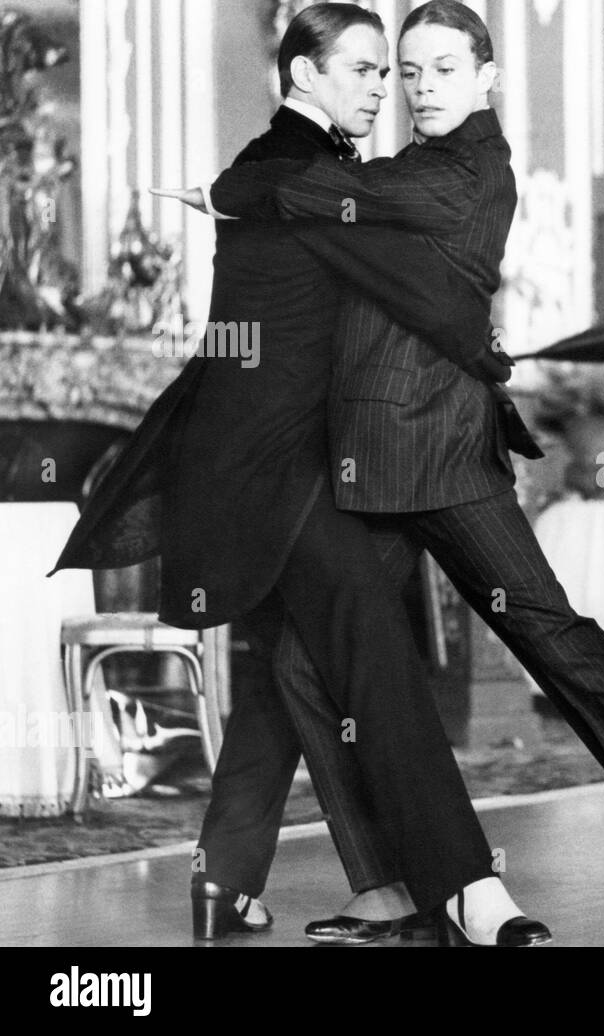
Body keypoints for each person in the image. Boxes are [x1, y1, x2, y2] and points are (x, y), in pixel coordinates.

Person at [169, 0, 604, 943]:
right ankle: (385, 888)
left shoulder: (472, 175)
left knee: (556, 638)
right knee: (302, 664)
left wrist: (232, 192)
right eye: (406, 72)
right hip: (357, 466)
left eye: (441, 69)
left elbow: (323, 201)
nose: (419, 89)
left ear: (488, 75)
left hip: (444, 456)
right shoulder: (389, 168)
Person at [54, 2, 549, 947]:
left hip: (252, 473)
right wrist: (490, 360)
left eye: (387, 72)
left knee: (287, 677)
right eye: (363, 70)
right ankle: (471, 891)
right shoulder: (304, 175)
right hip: (283, 480)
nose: (383, 90)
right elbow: (429, 301)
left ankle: (223, 882)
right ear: (303, 76)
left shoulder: (282, 169)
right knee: (378, 664)